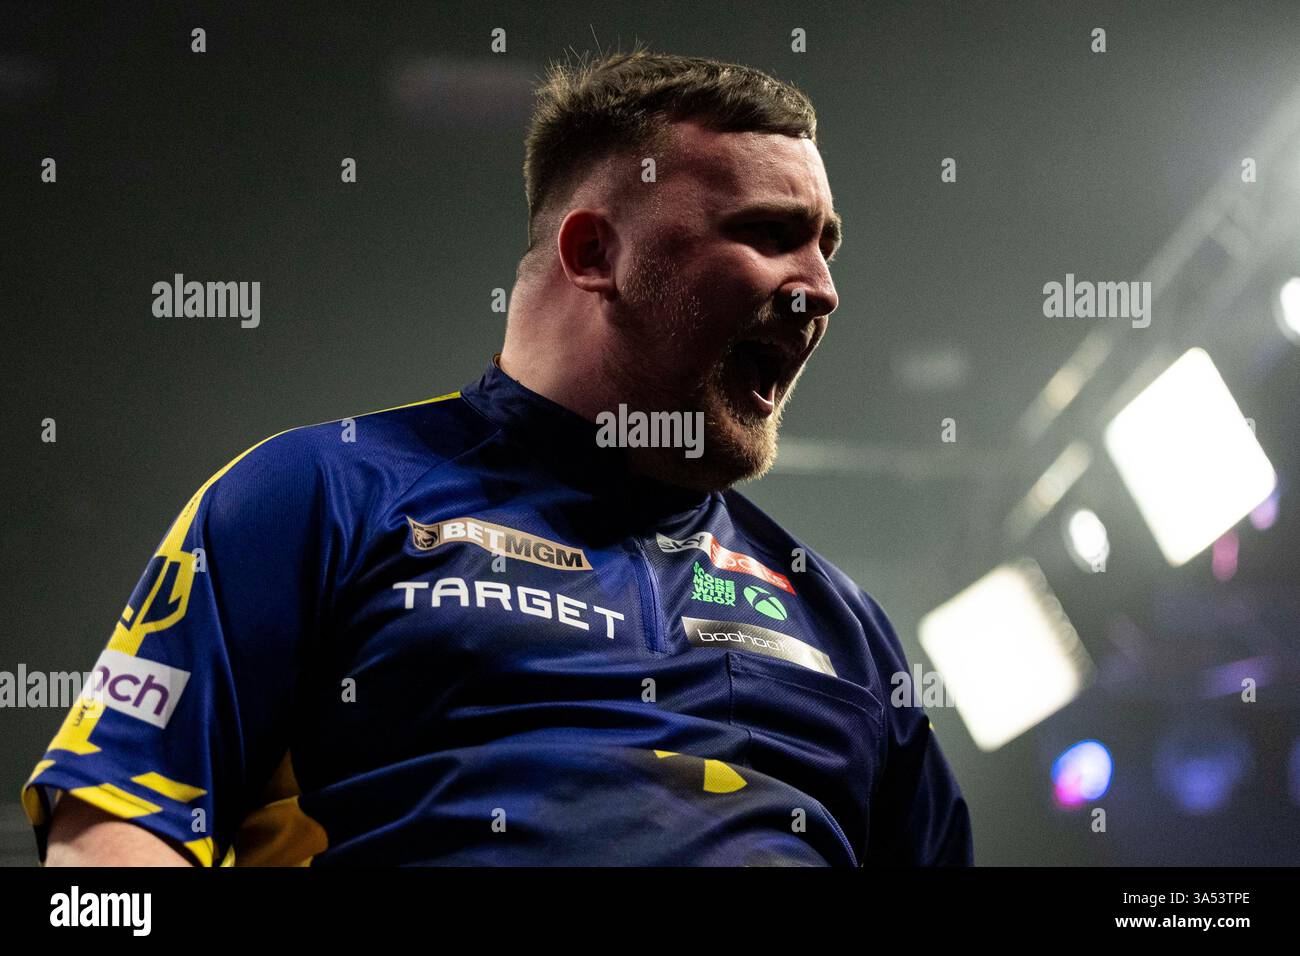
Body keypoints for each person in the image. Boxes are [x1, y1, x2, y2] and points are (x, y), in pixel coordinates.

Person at [26, 48, 972, 866]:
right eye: (770, 234)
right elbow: (116, 825)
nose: (822, 288)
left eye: (826, 246)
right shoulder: (318, 494)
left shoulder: (843, 623)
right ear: (595, 252)